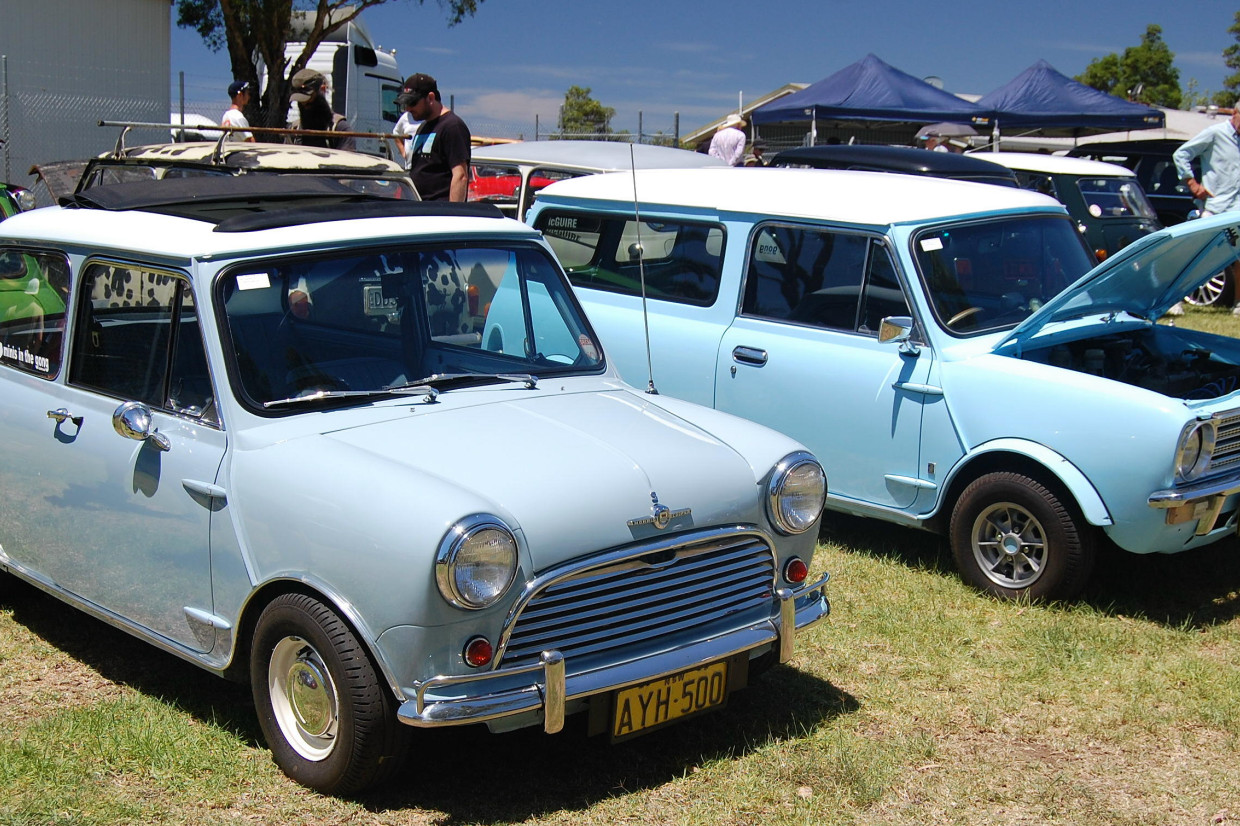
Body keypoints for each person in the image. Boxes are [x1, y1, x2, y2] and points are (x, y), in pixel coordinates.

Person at [1171, 107, 1240, 315]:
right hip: (1214, 208)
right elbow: (1181, 154)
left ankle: (1238, 305)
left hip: (1237, 209)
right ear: (1235, 113)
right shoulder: (1215, 133)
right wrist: (1192, 184)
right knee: (1197, 257)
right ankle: (1173, 300)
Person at [396, 73, 471, 201]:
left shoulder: (452, 126)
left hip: (439, 209)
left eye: (412, 102)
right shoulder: (423, 127)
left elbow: (460, 175)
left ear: (430, 98)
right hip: (419, 207)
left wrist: (453, 211)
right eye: (405, 104)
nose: (408, 108)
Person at [287, 69, 355, 151]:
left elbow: (346, 157)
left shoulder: (340, 129)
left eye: (308, 100)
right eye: (300, 102)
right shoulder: (294, 130)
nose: (304, 104)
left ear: (322, 90)